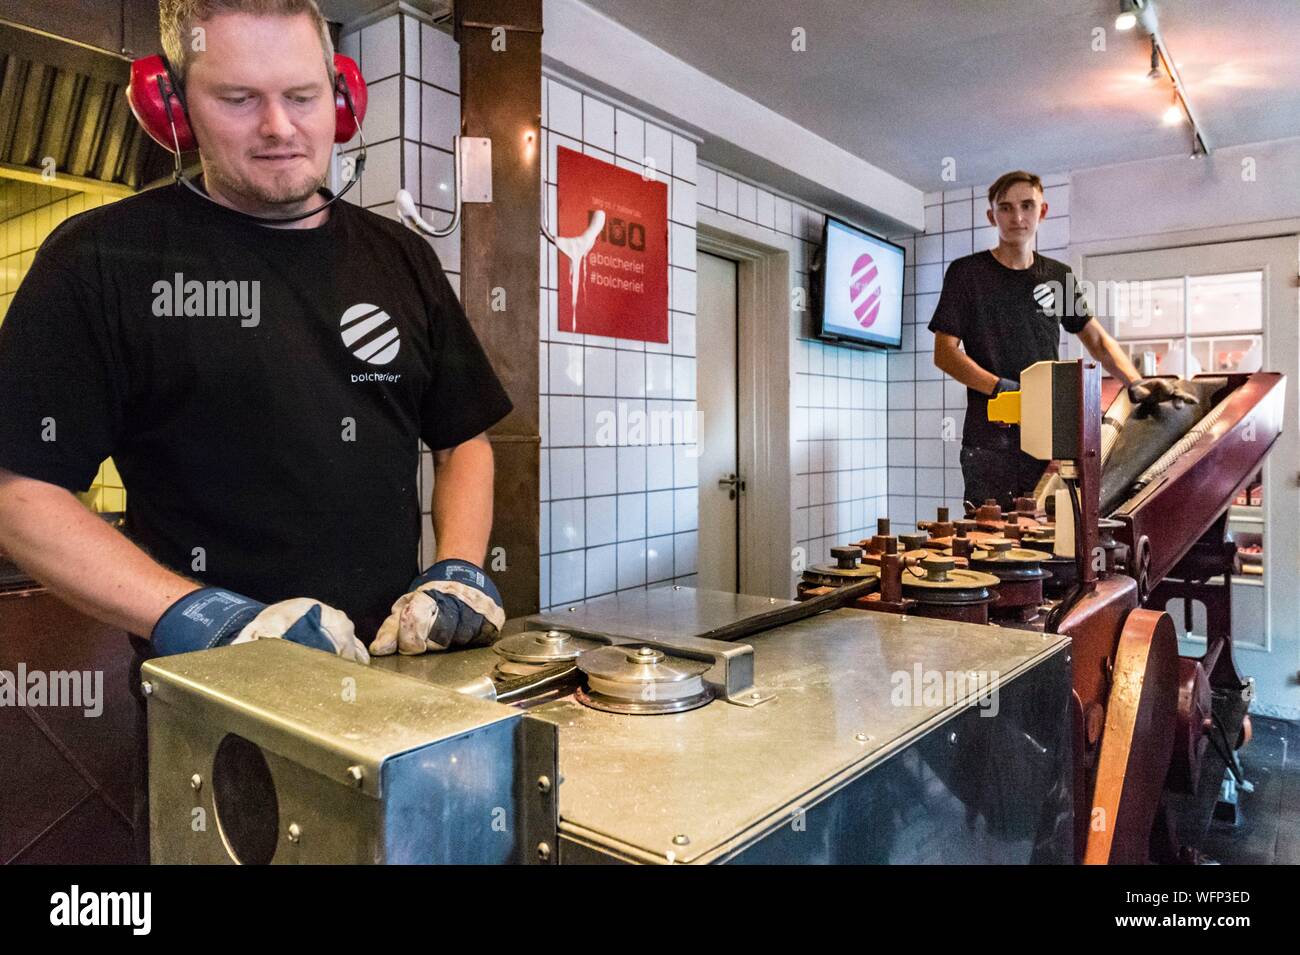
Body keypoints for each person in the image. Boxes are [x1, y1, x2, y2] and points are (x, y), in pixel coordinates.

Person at [0, 0, 511, 858]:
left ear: (342, 99)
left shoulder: (402, 259)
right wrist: (208, 617)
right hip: (215, 719)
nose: (280, 128)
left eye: (303, 97)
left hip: (396, 699)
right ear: (170, 102)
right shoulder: (99, 261)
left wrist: (457, 566)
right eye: (238, 99)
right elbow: (19, 493)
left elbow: (464, 438)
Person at [929, 170, 1191, 510]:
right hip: (989, 439)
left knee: (1050, 534)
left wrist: (1136, 381)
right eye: (1006, 208)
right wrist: (1002, 388)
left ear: (1043, 211)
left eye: (1027, 205)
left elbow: (1095, 337)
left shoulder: (1057, 276)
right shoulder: (967, 274)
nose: (1018, 217)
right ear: (991, 215)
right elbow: (945, 354)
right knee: (991, 541)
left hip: (1048, 435)